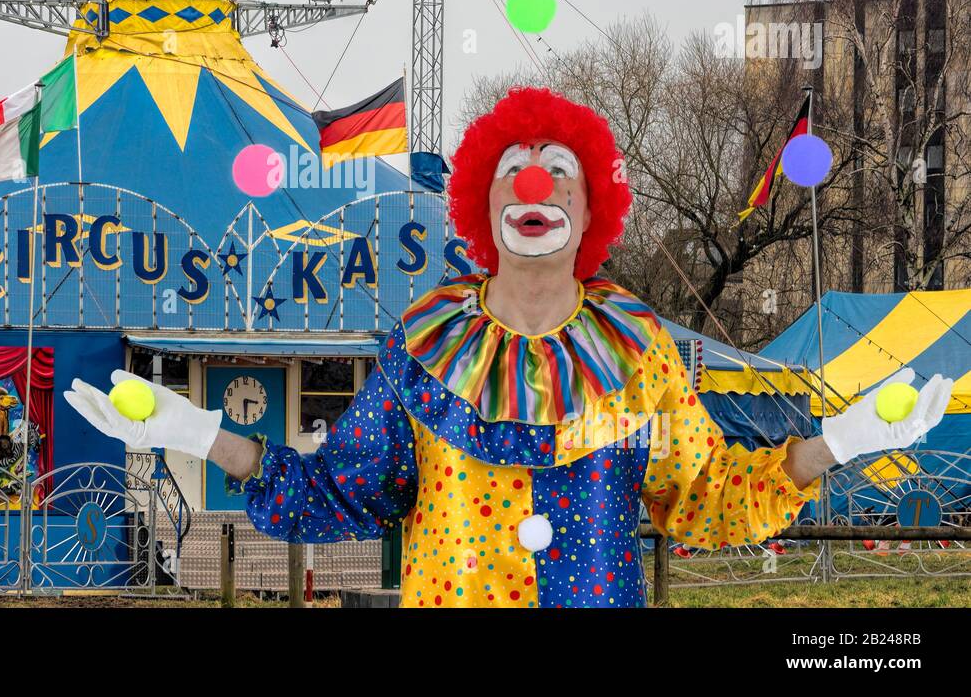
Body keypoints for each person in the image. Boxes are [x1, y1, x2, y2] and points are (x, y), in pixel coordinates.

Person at [67, 87, 953, 608]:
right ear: (483, 208)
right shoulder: (424, 347)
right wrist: (197, 434)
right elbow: (329, 495)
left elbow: (709, 499)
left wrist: (840, 441)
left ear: (588, 208)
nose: (535, 180)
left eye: (558, 167)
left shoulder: (639, 352)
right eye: (514, 168)